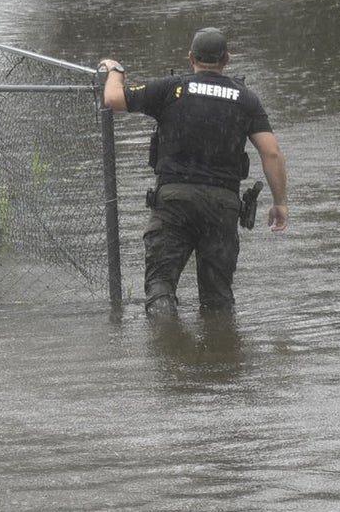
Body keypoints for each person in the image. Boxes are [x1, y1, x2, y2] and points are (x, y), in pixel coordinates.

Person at [99, 27, 289, 314]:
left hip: (174, 202)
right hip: (222, 206)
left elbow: (112, 99)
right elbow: (271, 152)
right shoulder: (246, 99)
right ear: (227, 59)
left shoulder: (170, 89)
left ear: (191, 58)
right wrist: (280, 203)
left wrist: (115, 69)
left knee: (161, 287)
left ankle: (167, 350)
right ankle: (222, 352)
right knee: (218, 298)